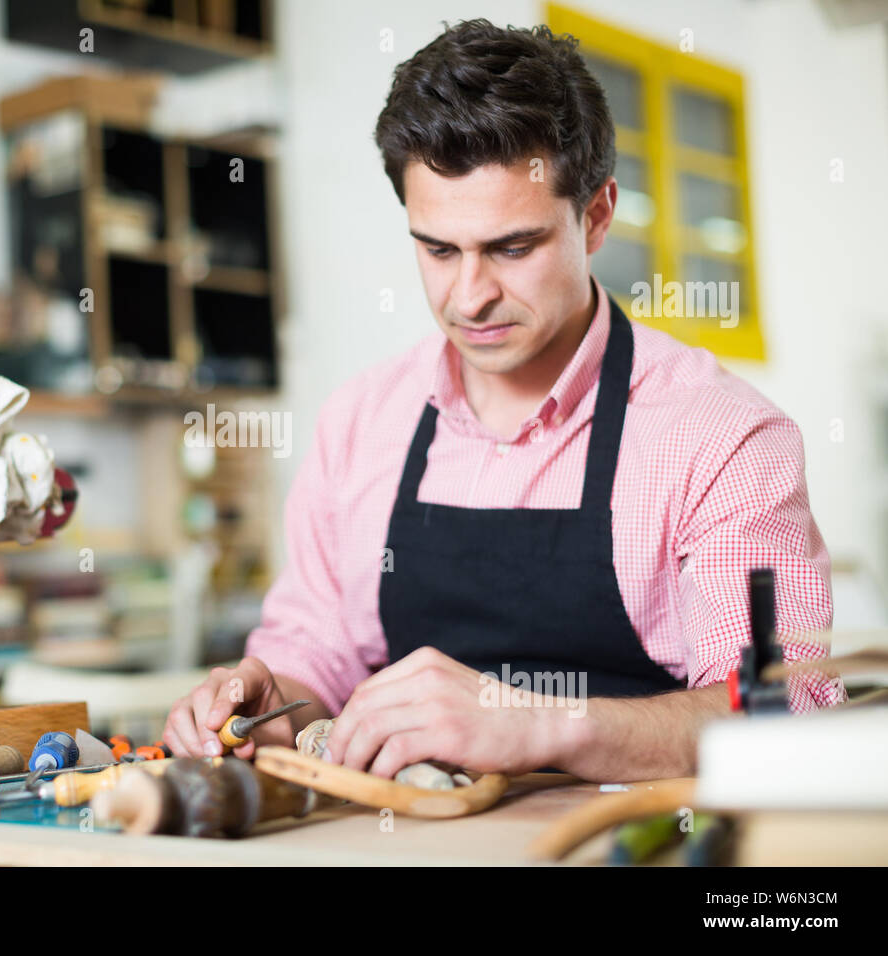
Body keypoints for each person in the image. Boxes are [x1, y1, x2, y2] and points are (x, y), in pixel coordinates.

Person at [162, 19, 841, 782]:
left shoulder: (721, 436)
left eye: (512, 248)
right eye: (439, 250)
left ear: (597, 215)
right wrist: (263, 697)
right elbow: (316, 656)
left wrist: (535, 725)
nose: (471, 296)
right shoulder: (360, 422)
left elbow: (783, 713)